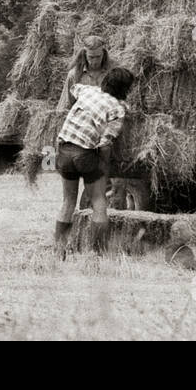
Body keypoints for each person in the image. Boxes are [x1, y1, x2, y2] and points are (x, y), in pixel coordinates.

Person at [53, 67, 135, 257]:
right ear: (125, 90)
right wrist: (103, 165)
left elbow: (73, 87)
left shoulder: (87, 91)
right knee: (99, 203)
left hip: (63, 150)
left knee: (68, 202)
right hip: (85, 154)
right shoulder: (117, 109)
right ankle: (95, 254)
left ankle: (59, 251)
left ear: (106, 81)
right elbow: (106, 142)